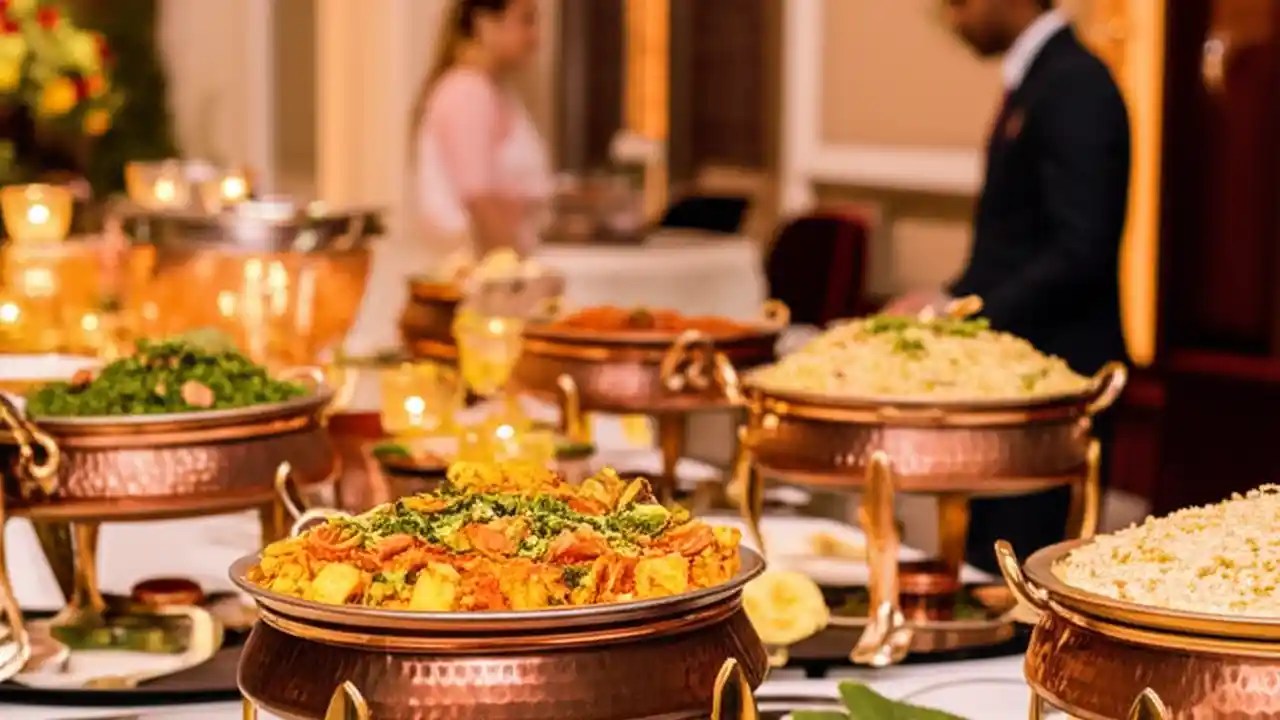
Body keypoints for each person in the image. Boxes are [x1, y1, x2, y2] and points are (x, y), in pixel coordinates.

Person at [888, 0, 1131, 573]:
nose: (951, 18)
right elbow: (1012, 242)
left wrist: (968, 312)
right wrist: (947, 301)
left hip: (1056, 385)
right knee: (988, 565)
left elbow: (1080, 252)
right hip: (1013, 387)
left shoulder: (1076, 86)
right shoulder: (1041, 79)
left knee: (1029, 579)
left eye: (960, 3)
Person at [410, 0, 551, 270]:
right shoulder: (467, 93)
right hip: (479, 280)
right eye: (526, 21)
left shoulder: (490, 91)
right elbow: (480, 202)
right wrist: (515, 276)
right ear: (484, 23)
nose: (535, 38)